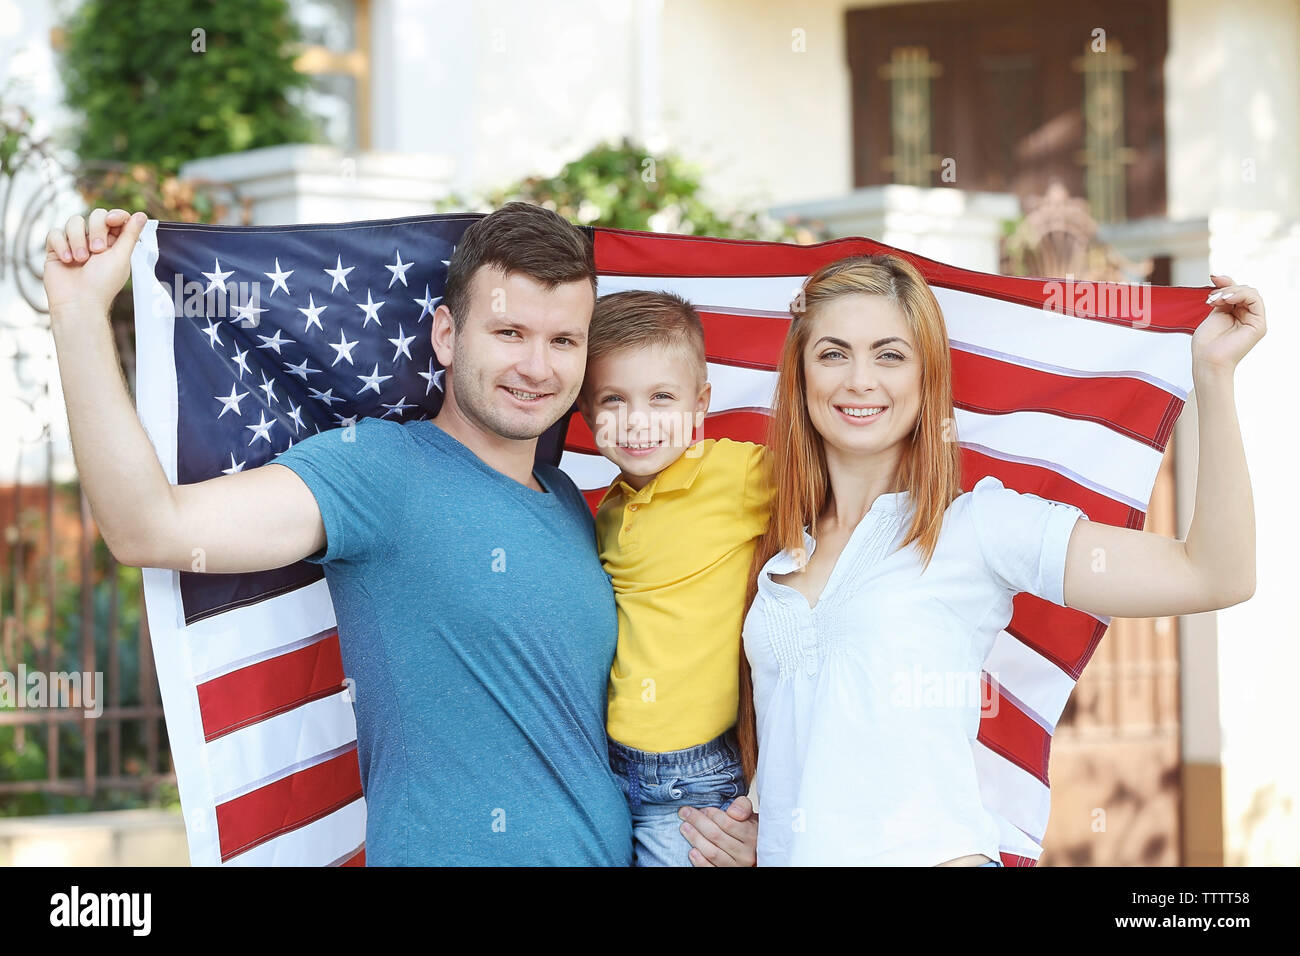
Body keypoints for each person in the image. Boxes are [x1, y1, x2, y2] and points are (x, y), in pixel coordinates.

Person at [42, 203, 758, 866]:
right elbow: (148, 528)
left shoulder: (577, 503)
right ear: (447, 335)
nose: (538, 367)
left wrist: (724, 825)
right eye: (509, 332)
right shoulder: (381, 470)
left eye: (563, 340)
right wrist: (77, 316)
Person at [736, 253, 1262, 866]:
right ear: (799, 375)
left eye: (889, 354)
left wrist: (1215, 377)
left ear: (927, 376)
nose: (860, 379)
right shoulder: (772, 549)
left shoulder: (978, 526)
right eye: (832, 353)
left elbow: (1215, 575)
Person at [575, 289, 773, 866]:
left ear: (701, 401)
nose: (638, 422)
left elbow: (828, 479)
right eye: (614, 400)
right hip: (615, 771)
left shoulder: (735, 473)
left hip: (697, 779)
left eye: (662, 397)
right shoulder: (610, 510)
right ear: (586, 414)